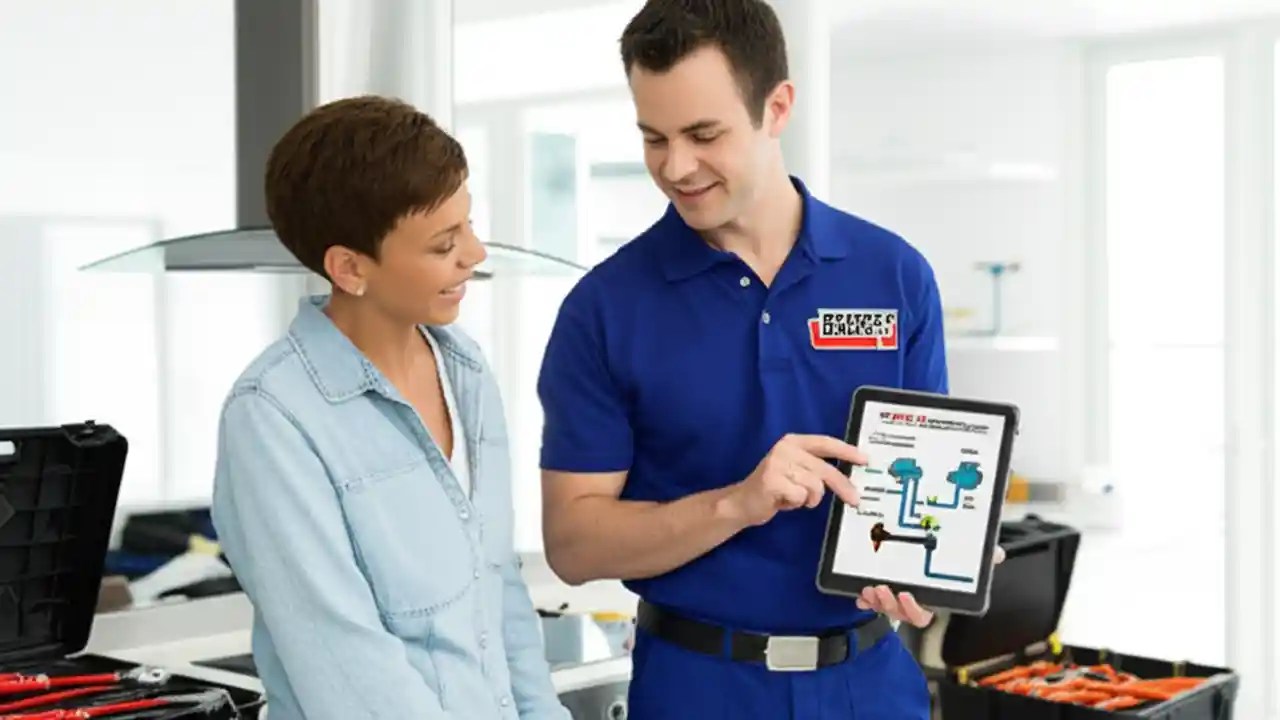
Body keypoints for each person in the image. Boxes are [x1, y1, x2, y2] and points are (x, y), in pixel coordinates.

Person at [536, 2, 1002, 718]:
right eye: (653, 137)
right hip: (699, 690)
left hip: (871, 688)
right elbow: (573, 545)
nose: (675, 166)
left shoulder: (895, 275)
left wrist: (941, 553)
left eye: (703, 134)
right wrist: (736, 505)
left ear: (777, 106)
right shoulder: (604, 309)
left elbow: (920, 478)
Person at [210, 95, 569, 720]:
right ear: (350, 268)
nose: (476, 254)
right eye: (443, 243)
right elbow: (346, 668)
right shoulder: (273, 419)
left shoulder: (466, 370)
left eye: (470, 225)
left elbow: (501, 598)